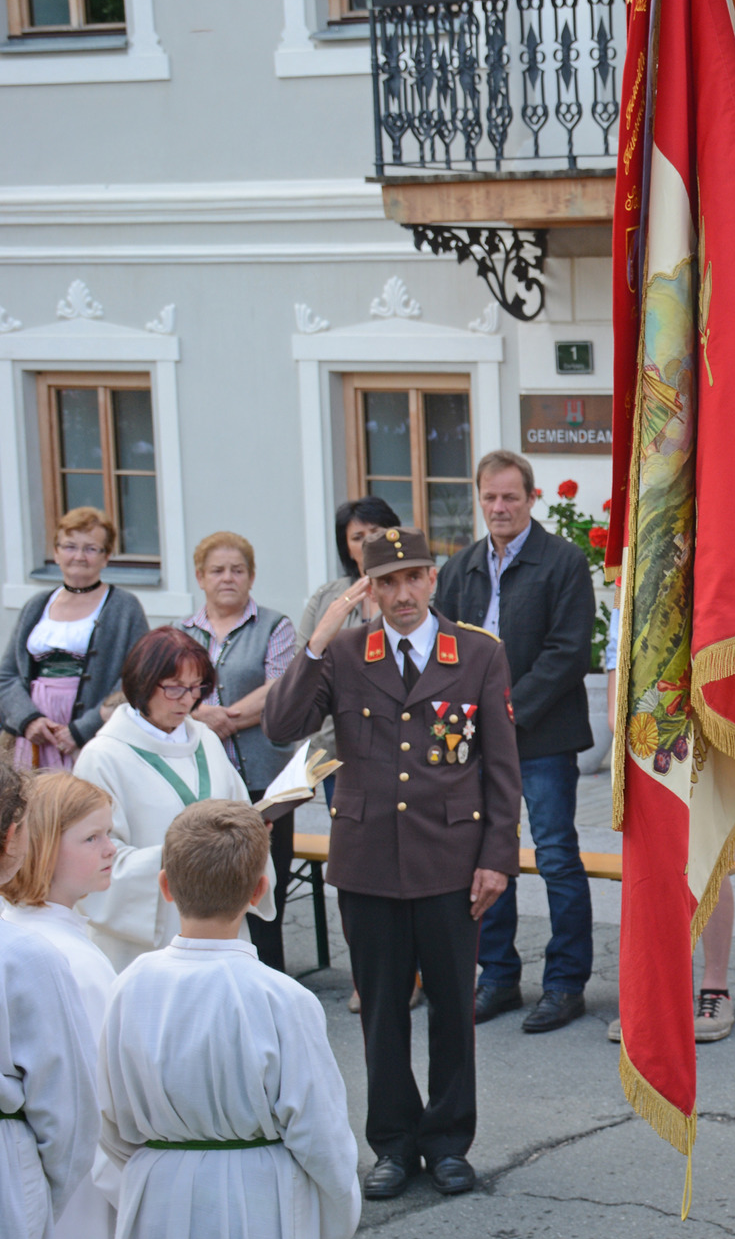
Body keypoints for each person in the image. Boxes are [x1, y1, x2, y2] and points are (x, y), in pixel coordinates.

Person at [266, 526, 519, 1200]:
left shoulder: (478, 654)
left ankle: (448, 1141)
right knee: (380, 1012)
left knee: (450, 1009)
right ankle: (394, 1144)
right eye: (386, 583)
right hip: (369, 860)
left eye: (412, 578)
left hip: (449, 860)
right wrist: (317, 638)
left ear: (432, 579)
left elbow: (500, 765)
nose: (401, 594)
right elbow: (283, 725)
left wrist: (498, 856)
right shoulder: (346, 653)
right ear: (367, 590)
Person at [98, 799, 359, 1239]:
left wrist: (152, 1175)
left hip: (157, 1194)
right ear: (260, 890)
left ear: (165, 887)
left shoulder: (129, 986)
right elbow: (321, 1135)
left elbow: (109, 1119)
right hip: (256, 1200)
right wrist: (332, 1220)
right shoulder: (282, 999)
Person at [434, 451, 597, 1035]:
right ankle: (498, 976)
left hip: (543, 737)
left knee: (556, 857)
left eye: (510, 497)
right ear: (479, 499)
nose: (499, 508)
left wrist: (507, 713)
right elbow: (444, 651)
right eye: (490, 498)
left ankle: (564, 984)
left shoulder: (564, 562)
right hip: (475, 740)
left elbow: (568, 654)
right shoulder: (459, 570)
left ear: (532, 498)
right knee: (485, 858)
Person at [73, 628, 268, 971]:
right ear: (142, 683)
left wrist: (252, 832)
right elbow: (93, 861)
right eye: (174, 687)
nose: (187, 700)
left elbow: (239, 810)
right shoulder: (104, 757)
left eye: (196, 688)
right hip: (145, 947)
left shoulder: (205, 740)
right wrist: (187, 856)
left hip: (222, 931)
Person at [1, 772, 119, 1239]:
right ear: (35, 844)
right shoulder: (63, 960)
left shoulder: (28, 930)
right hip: (70, 1187)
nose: (111, 848)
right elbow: (81, 1104)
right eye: (91, 837)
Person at [600, 603, 735, 1044]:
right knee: (651, 867)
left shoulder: (713, 563)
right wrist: (621, 722)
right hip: (649, 733)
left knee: (710, 855)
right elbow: (617, 657)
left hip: (704, 723)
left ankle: (715, 988)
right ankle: (653, 997)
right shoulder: (640, 568)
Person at [178, 531, 302, 973]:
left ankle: (268, 981)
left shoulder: (274, 625)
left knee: (265, 885)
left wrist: (214, 716)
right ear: (200, 577)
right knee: (210, 887)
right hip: (203, 784)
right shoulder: (182, 633)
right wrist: (202, 717)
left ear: (251, 576)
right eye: (217, 570)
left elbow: (280, 688)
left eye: (237, 570)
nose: (227, 578)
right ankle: (214, 976)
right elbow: (171, 690)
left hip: (264, 782)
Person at [302, 497, 403, 1014]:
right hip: (336, 755)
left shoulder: (408, 594)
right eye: (356, 536)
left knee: (407, 861)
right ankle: (368, 973)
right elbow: (303, 667)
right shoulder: (329, 597)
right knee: (357, 868)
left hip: (404, 754)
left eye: (377, 533)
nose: (367, 544)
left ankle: (412, 972)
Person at [1, 507, 150, 771]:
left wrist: (81, 730)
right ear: (56, 553)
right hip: (37, 739)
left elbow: (138, 676)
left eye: (91, 549)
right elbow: (7, 675)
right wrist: (29, 720)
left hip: (95, 739)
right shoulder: (36, 606)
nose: (79, 556)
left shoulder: (125, 607)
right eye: (70, 546)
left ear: (106, 557)